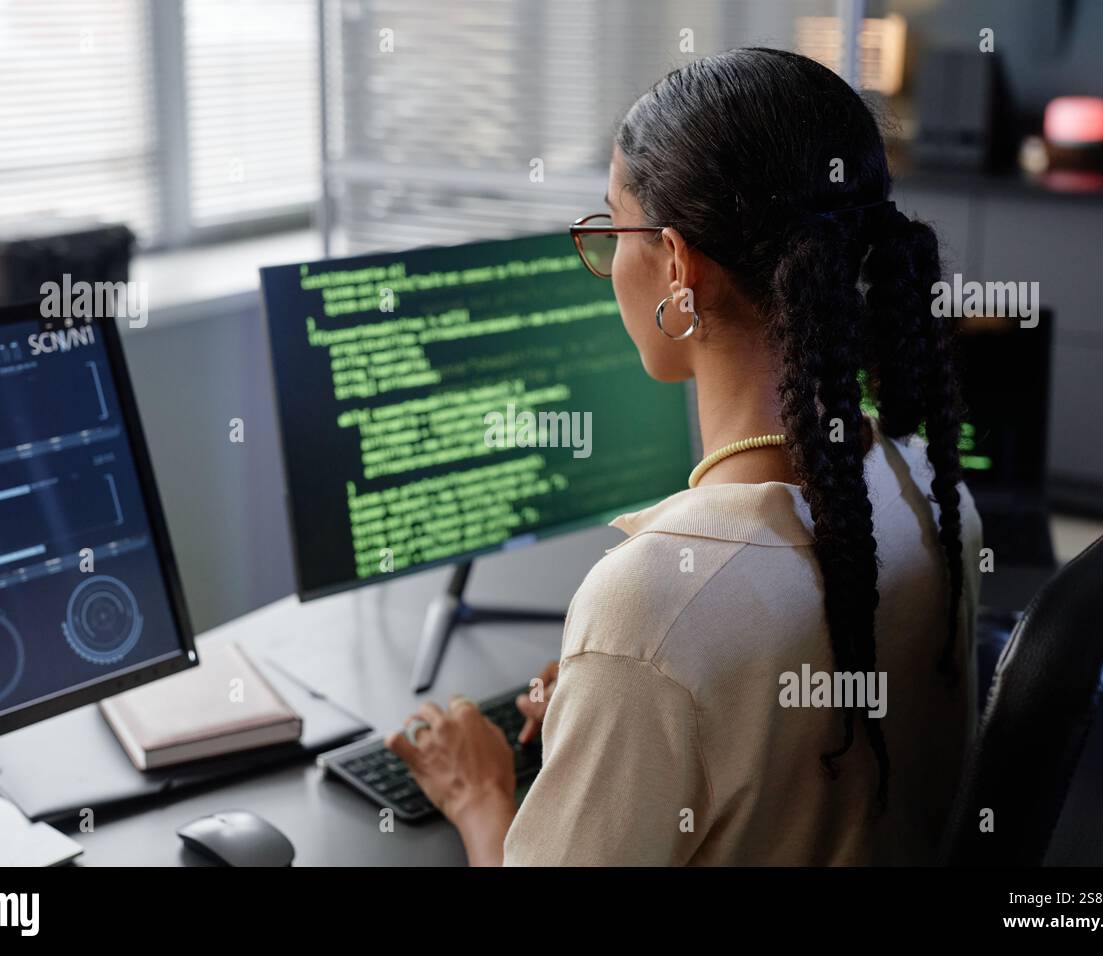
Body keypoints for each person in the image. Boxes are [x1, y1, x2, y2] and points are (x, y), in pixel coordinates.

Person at [384, 47, 982, 866]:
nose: (607, 264)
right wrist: (619, 706)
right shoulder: (934, 497)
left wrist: (480, 797)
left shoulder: (651, 607)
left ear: (676, 265)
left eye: (611, 229)